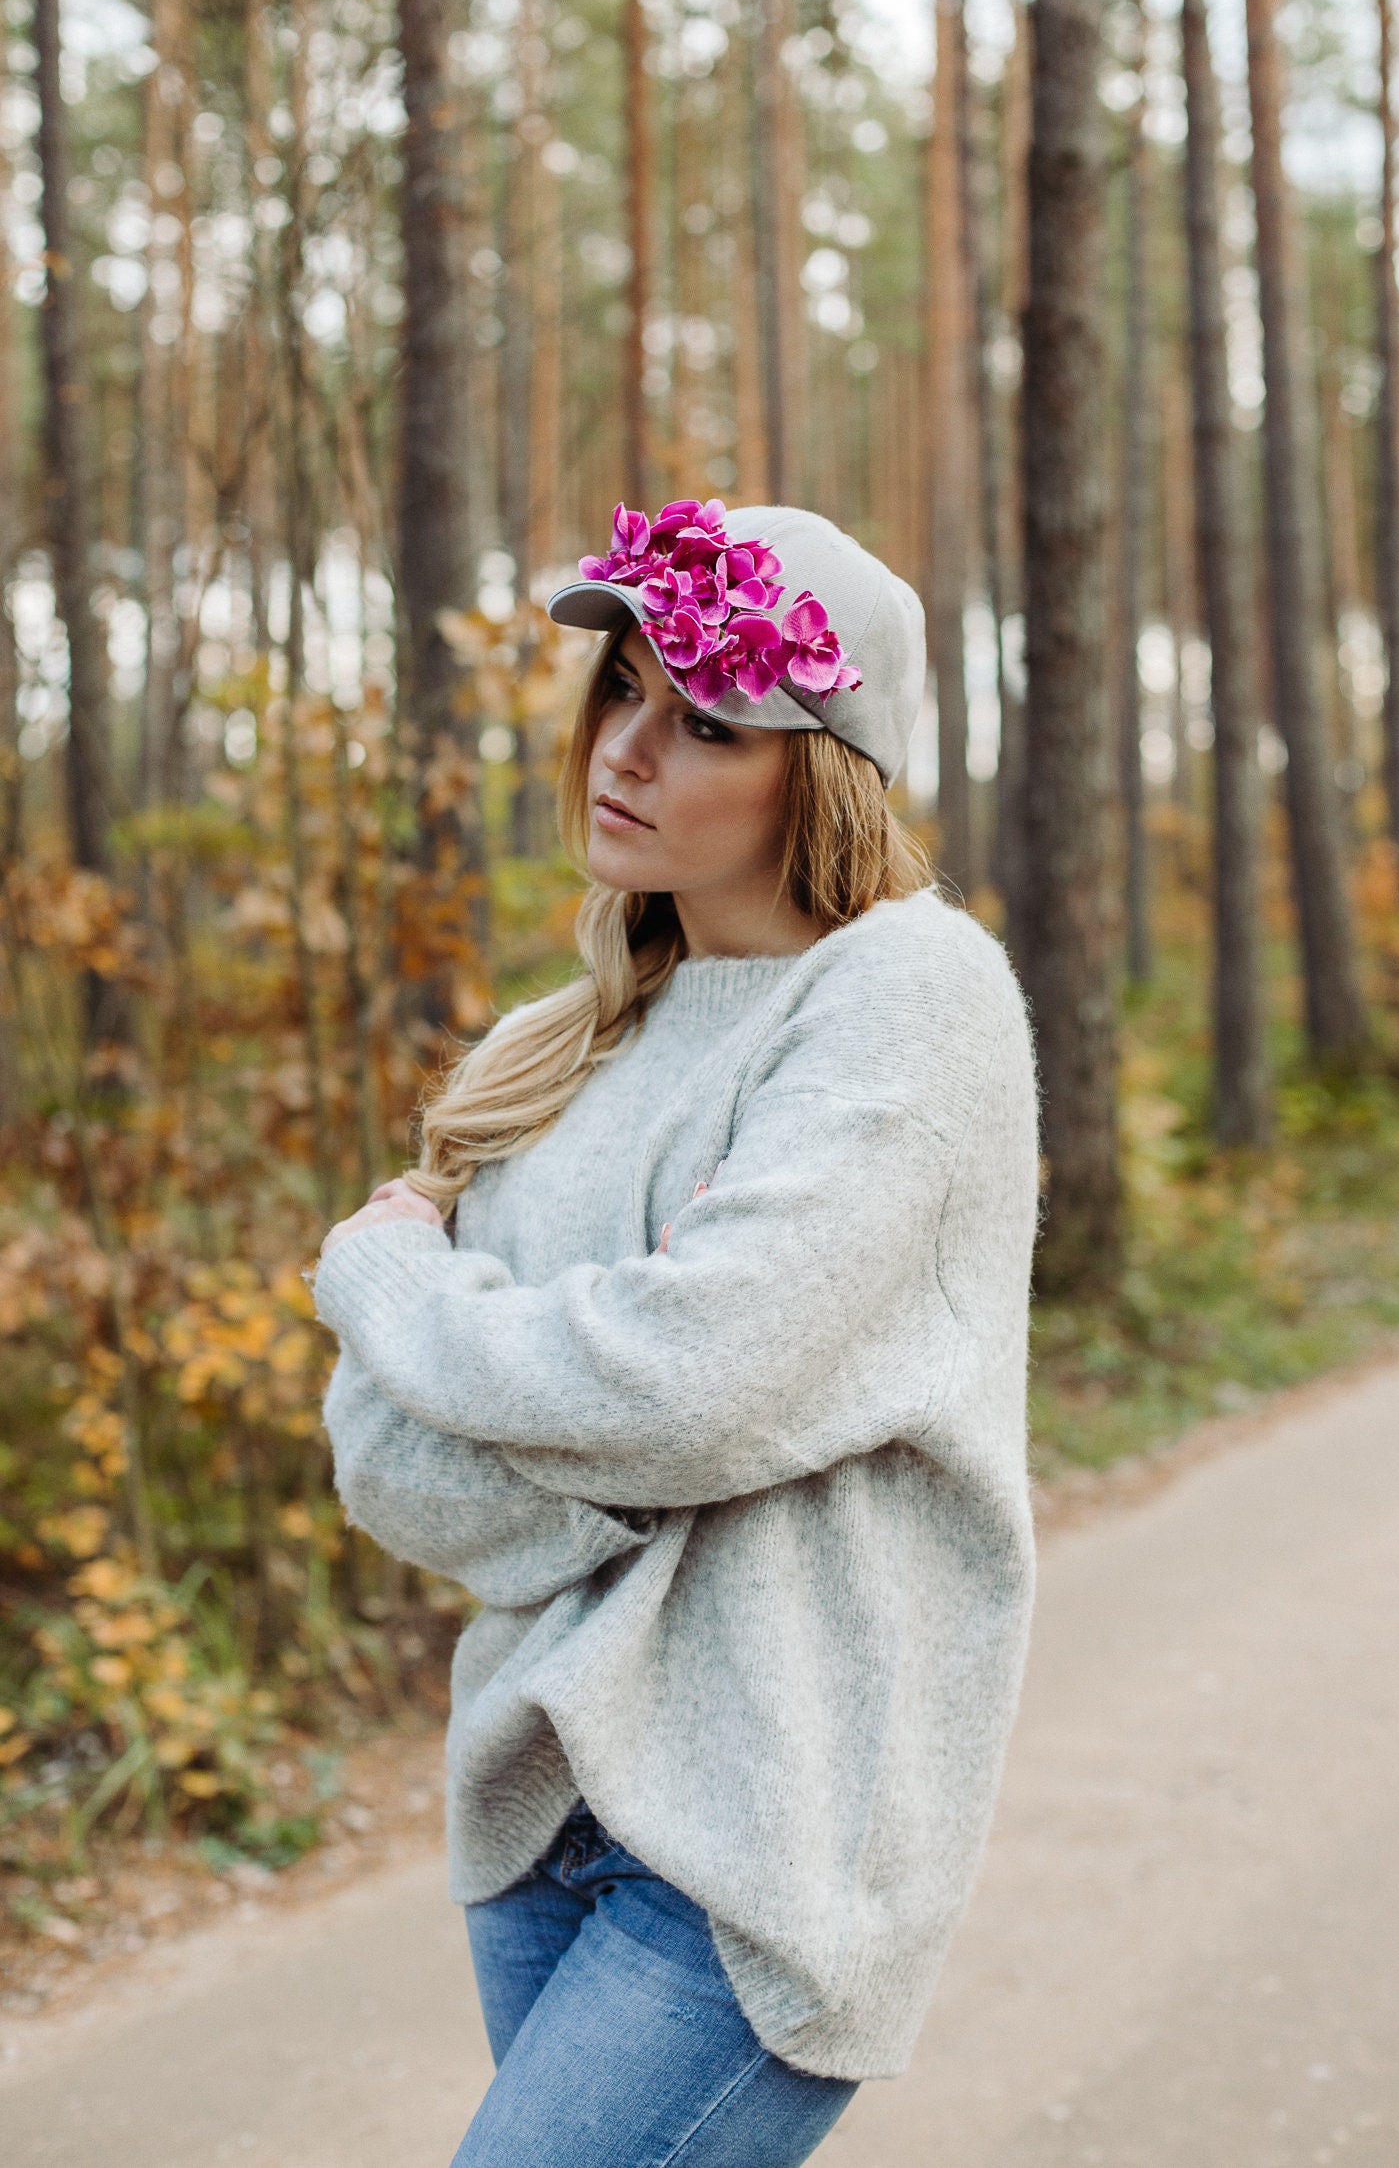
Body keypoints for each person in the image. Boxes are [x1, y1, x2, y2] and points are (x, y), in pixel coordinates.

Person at [311, 501, 1039, 2166]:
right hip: (538, 1796)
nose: (625, 751)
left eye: (707, 719)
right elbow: (386, 1457)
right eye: (621, 691)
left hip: (766, 1825)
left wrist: (405, 1290)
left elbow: (686, 1379)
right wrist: (632, 1469)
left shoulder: (906, 995)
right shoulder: (553, 1049)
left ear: (824, 767)